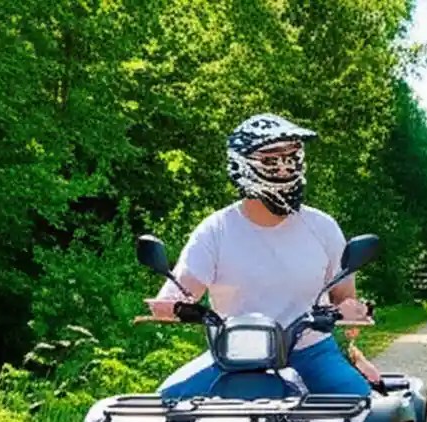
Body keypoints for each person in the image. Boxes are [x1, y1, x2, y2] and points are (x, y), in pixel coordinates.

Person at [146, 113, 373, 398]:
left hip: (310, 352)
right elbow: (178, 292)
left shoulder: (323, 227)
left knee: (359, 405)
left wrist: (350, 308)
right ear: (243, 165)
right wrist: (171, 304)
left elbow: (344, 296)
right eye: (272, 160)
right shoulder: (216, 229)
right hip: (233, 355)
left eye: (292, 158)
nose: (284, 168)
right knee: (166, 402)